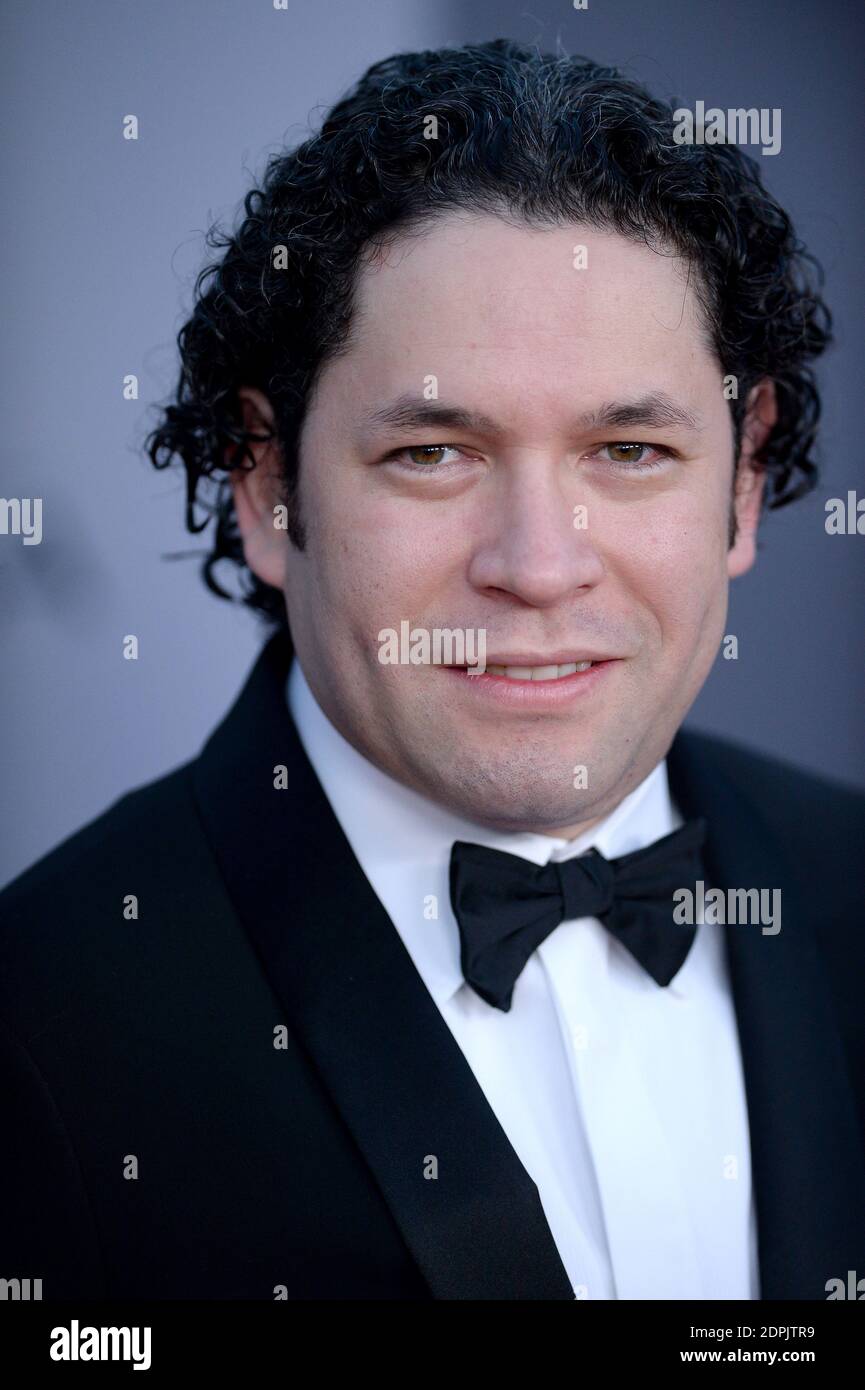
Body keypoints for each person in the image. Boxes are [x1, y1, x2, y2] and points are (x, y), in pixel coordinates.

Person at [2, 39, 863, 1302]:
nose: (538, 563)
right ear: (264, 483)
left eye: (627, 449)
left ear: (741, 483)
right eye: (432, 453)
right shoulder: (41, 1021)